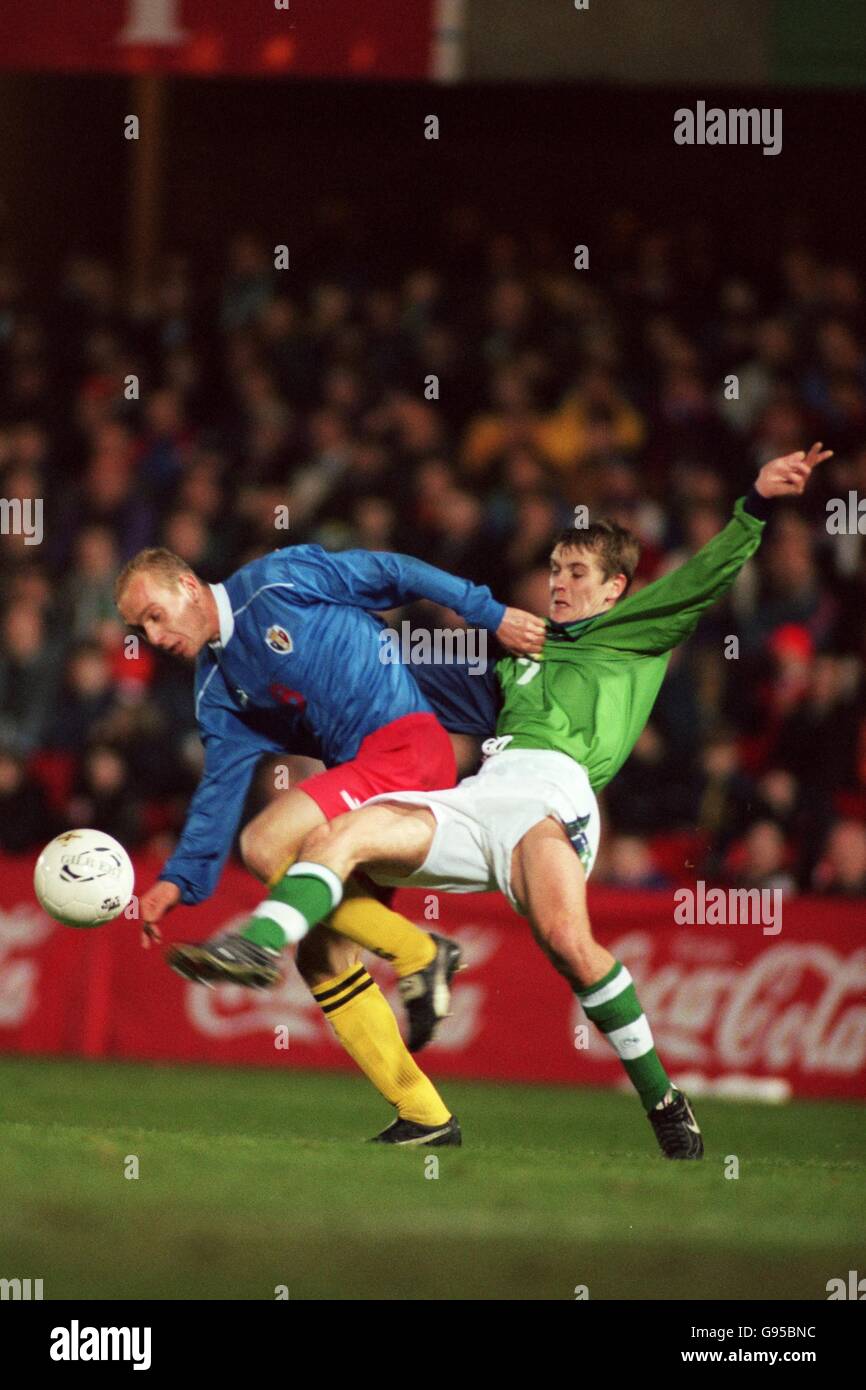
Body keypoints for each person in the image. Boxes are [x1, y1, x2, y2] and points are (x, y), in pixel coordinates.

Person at [172, 446, 830, 1156]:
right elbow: (397, 679)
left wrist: (757, 502)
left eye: (577, 572)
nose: (559, 583)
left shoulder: (635, 631)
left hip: (554, 796)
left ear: (615, 588)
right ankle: (261, 945)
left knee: (571, 948)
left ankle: (664, 1101)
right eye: (553, 570)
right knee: (344, 833)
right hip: (484, 789)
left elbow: (709, 573)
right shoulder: (516, 658)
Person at [116, 542, 544, 1146]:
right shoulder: (216, 686)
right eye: (140, 628)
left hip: (407, 746)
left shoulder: (279, 580)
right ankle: (423, 1114)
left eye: (155, 615)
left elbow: (395, 570)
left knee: (266, 840)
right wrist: (178, 879)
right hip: (362, 781)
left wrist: (488, 612)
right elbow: (221, 783)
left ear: (187, 585)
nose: (153, 636)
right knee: (321, 957)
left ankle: (418, 951)